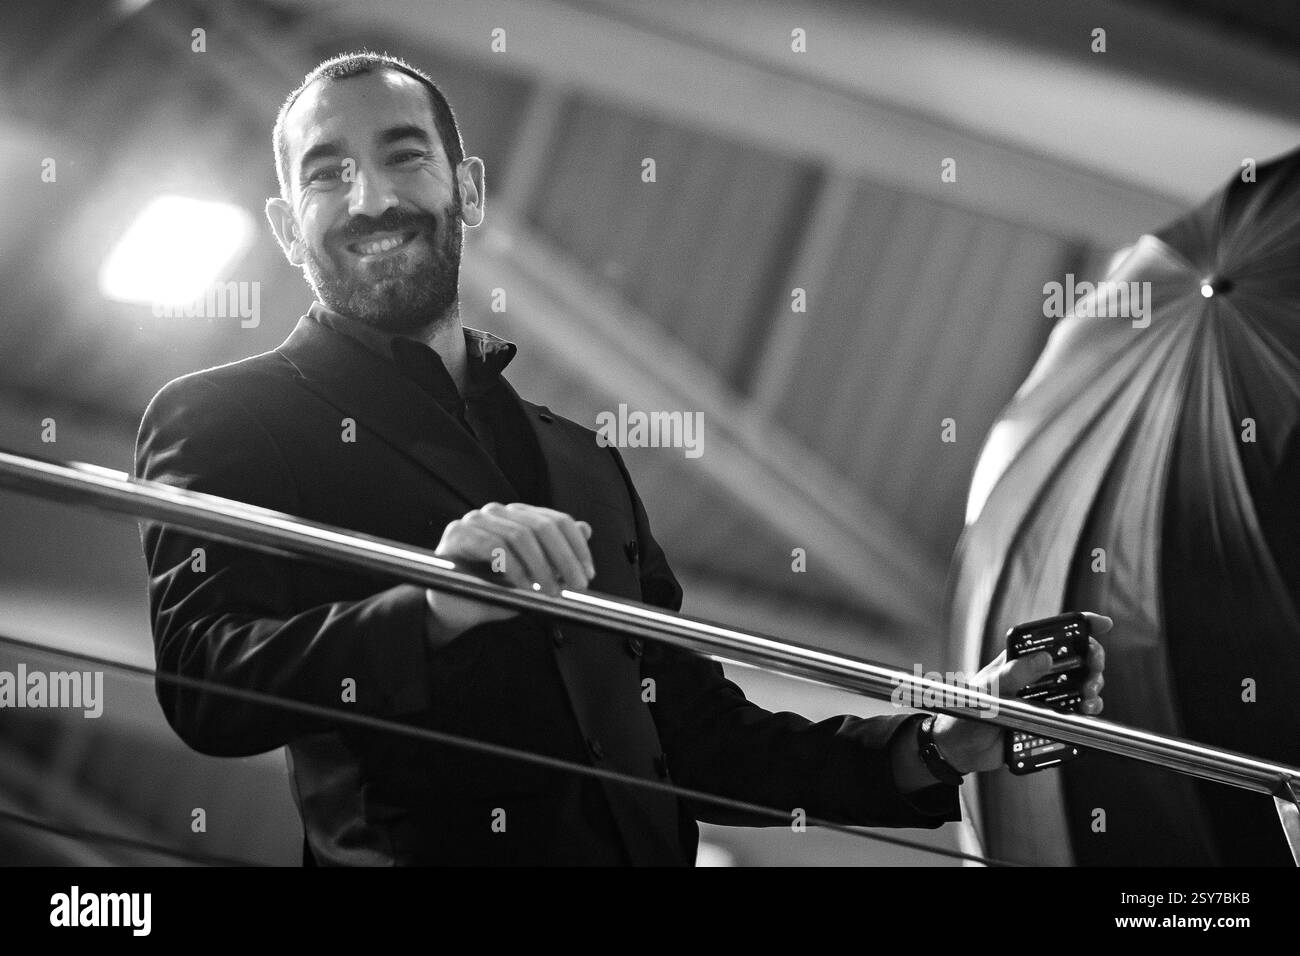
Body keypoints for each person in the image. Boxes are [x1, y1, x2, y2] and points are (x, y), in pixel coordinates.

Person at [135, 51, 1108, 866]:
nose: (371, 196)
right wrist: (427, 605)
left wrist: (930, 743)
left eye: (403, 157)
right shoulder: (225, 412)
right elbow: (206, 678)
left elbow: (691, 736)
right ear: (283, 226)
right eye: (325, 172)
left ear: (466, 190)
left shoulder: (584, 459)